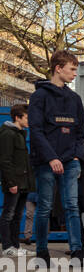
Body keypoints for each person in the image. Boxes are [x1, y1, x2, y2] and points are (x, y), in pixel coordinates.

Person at [27, 50, 84, 264]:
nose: (74, 74)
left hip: (70, 161)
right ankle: (42, 252)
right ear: (58, 68)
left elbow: (81, 131)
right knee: (45, 207)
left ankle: (77, 252)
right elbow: (36, 129)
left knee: (71, 206)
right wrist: (52, 158)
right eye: (71, 69)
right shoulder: (39, 96)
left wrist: (76, 157)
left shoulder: (74, 98)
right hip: (46, 162)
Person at [0, 104, 35, 257]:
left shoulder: (21, 133)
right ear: (17, 117)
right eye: (27, 117)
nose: (29, 120)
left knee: (17, 215)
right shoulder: (7, 134)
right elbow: (5, 161)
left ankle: (15, 246)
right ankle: (7, 247)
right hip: (14, 183)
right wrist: (11, 183)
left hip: (24, 183)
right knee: (8, 215)